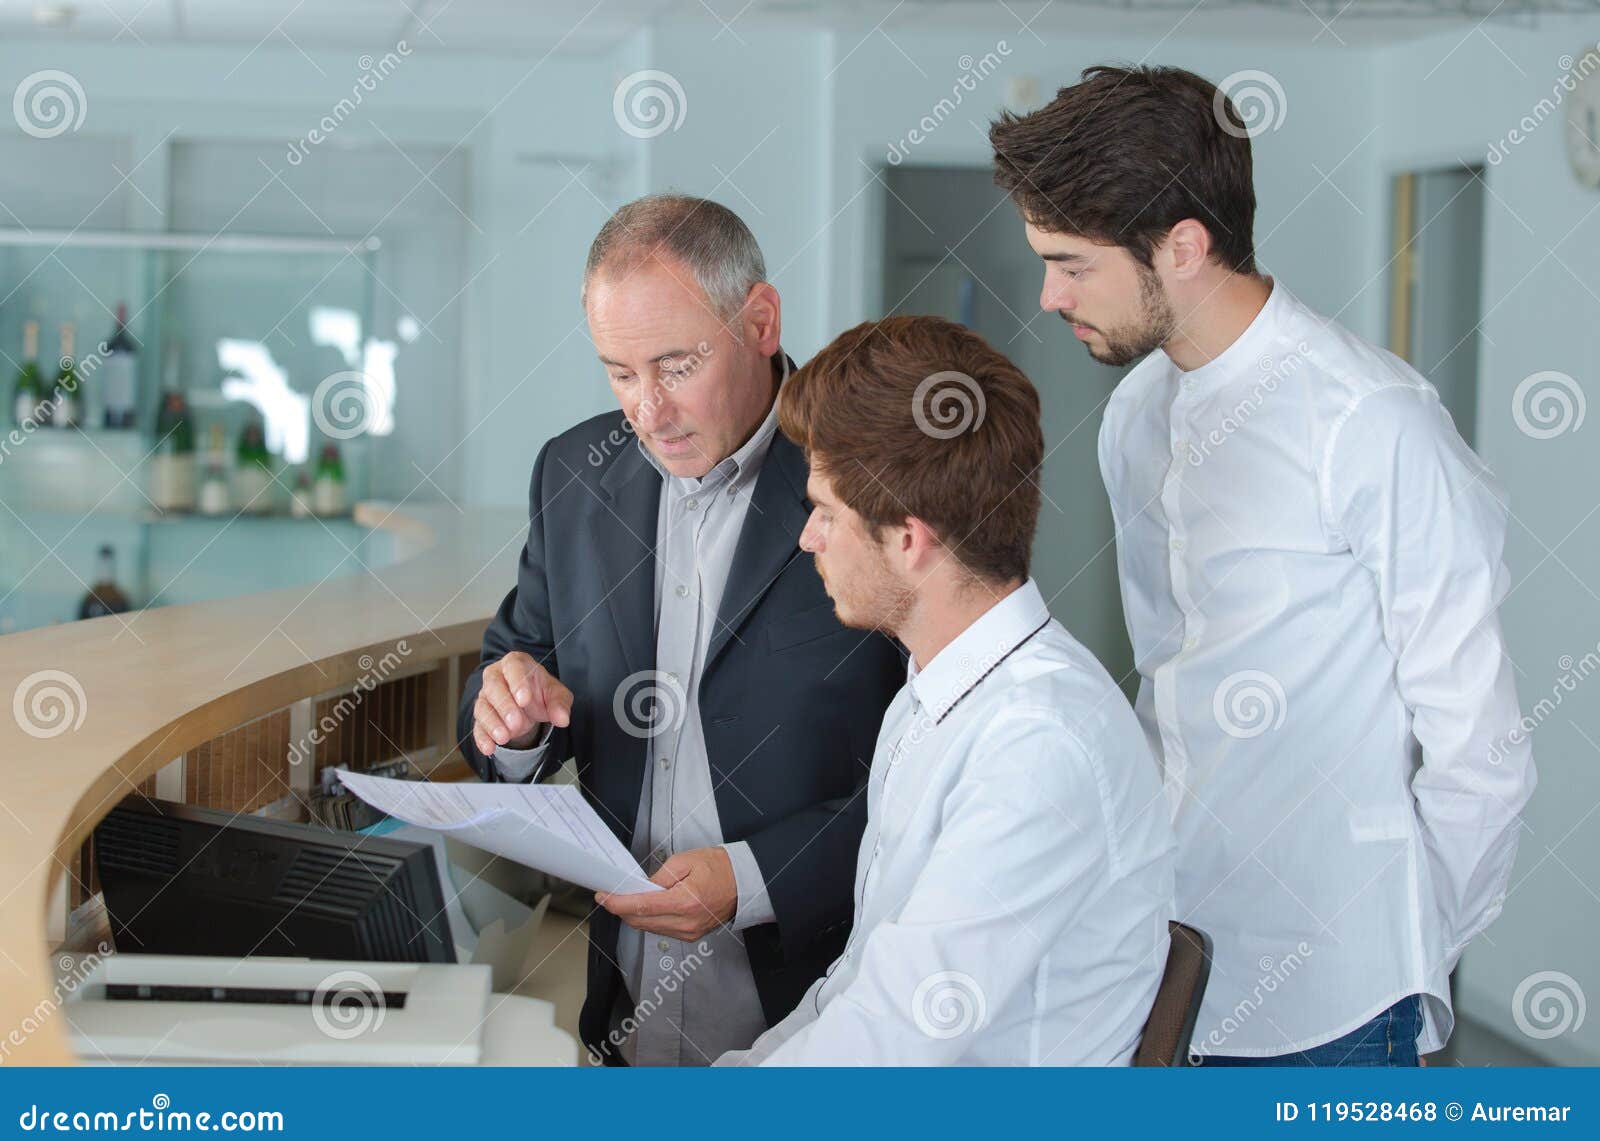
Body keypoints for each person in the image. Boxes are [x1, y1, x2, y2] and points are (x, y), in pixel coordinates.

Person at [990, 64, 1536, 1065]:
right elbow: (1165, 685)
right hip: (1166, 962)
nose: (1048, 294)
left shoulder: (1369, 420)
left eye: (1071, 263)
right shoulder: (1134, 416)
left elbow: (1481, 748)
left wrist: (1410, 954)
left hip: (1339, 996)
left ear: (1182, 248)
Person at [458, 194, 904, 1065]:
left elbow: (932, 781)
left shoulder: (870, 477)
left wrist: (753, 877)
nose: (648, 410)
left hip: (818, 1023)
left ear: (762, 321)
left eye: (676, 364)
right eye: (620, 372)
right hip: (622, 1019)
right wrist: (507, 718)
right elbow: (515, 669)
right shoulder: (573, 475)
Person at [717, 315, 1176, 1066]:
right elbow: (860, 987)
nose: (808, 539)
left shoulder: (1038, 743)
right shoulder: (937, 690)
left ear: (908, 537)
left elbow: (890, 1037)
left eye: (824, 512)